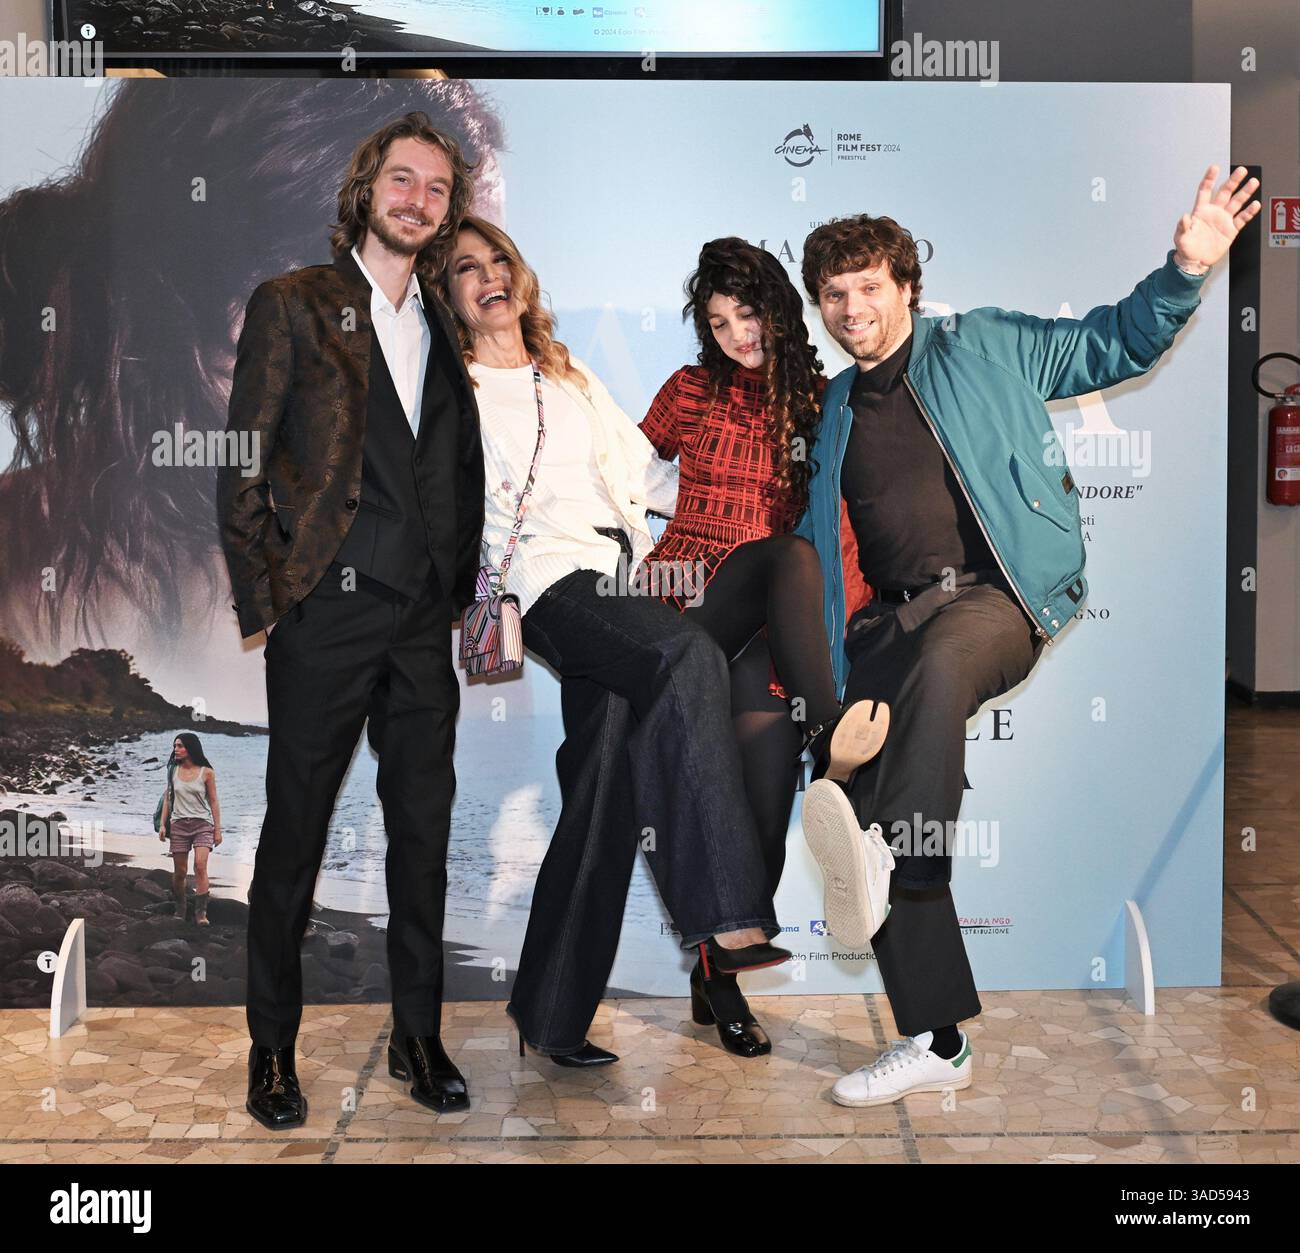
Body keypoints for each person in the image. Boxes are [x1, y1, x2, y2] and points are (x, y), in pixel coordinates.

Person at [795, 165, 1261, 1107]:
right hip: (889, 618)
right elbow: (812, 544)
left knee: (932, 692)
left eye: (870, 288)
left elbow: (1113, 344)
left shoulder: (985, 344)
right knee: (867, 800)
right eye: (834, 296)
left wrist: (1184, 266)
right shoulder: (834, 408)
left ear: (907, 287)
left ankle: (903, 858)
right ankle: (937, 1039)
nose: (853, 309)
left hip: (997, 597)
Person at [440, 216, 874, 1063]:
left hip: (626, 583)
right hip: (556, 585)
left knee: (603, 788)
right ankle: (728, 918)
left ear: (523, 278)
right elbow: (441, 503)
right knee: (686, 654)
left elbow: (641, 474)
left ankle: (551, 1017)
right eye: (466, 268)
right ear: (449, 296)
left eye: (500, 259)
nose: (489, 275)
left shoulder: (568, 376)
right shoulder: (451, 391)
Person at [216, 112, 487, 1128]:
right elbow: (241, 466)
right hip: (324, 616)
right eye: (402, 179)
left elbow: (453, 466)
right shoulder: (294, 303)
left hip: (421, 622)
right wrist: (270, 599)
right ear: (366, 187)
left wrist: (460, 593)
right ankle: (272, 1054)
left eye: (435, 189)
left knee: (423, 837)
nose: (416, 199)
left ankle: (418, 1036)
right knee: (294, 835)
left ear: (447, 210)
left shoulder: (445, 326)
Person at [637, 237, 893, 1057]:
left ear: (778, 309)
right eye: (716, 322)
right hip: (690, 607)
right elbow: (618, 470)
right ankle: (833, 741)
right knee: (785, 555)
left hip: (764, 632)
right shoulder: (688, 389)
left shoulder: (817, 401)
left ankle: (719, 973)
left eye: (746, 314)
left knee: (758, 808)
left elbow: (843, 522)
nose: (734, 334)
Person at [157, 732, 222, 927]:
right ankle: (180, 908)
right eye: (175, 746)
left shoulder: (207, 772)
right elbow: (168, 798)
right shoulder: (172, 771)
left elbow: (213, 801)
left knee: (200, 866)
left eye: (180, 746)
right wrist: (162, 824)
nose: (176, 749)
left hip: (202, 824)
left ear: (190, 748)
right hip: (179, 825)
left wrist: (217, 829)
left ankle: (201, 914)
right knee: (180, 872)